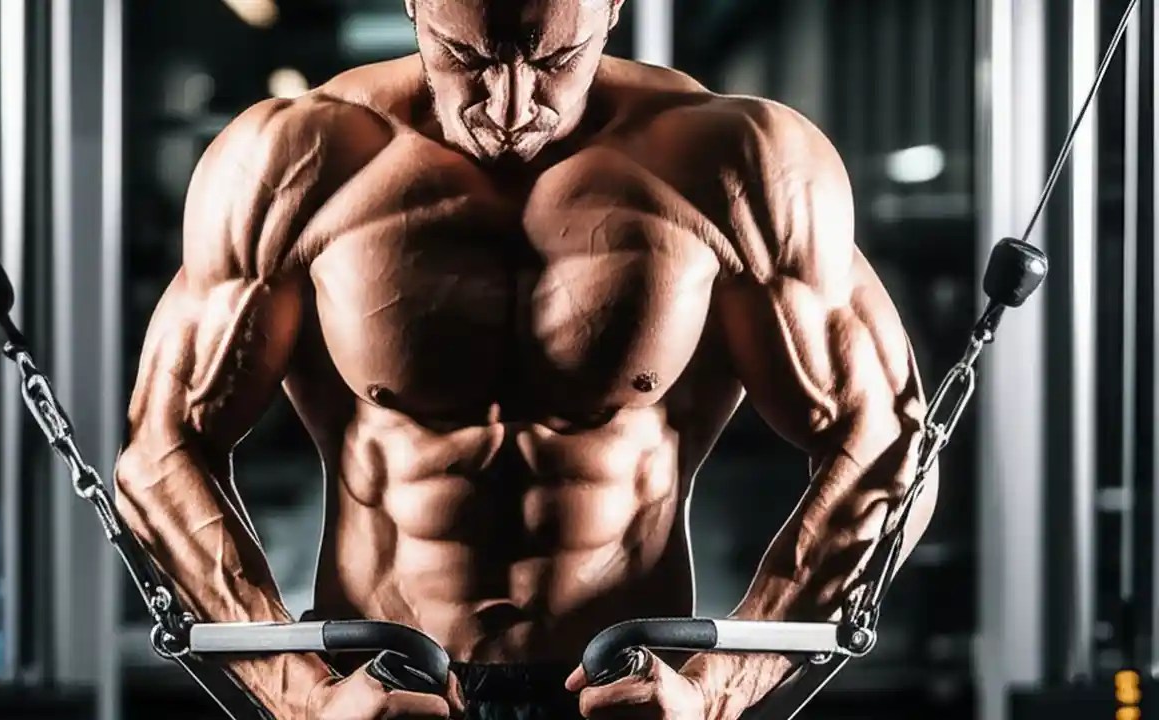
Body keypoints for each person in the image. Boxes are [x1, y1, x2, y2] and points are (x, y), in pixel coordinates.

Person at [113, 0, 938, 717]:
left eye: (556, 58)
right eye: (465, 54)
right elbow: (159, 457)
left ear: (614, 6)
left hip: (625, 689)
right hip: (382, 684)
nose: (509, 105)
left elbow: (890, 450)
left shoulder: (737, 167)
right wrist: (303, 697)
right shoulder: (300, 161)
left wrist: (719, 691)